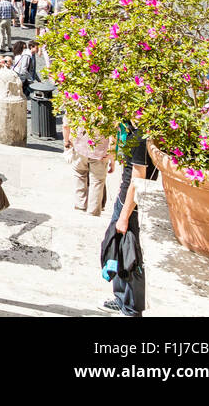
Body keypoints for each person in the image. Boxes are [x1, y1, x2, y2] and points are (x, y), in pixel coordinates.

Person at [104, 122, 148, 317]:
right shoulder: (132, 129)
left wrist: (124, 215)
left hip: (131, 205)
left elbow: (138, 179)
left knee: (131, 257)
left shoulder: (141, 137)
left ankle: (131, 308)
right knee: (119, 252)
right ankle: (121, 298)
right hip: (124, 200)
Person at [63, 116, 113, 217]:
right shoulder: (109, 104)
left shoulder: (75, 101)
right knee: (97, 182)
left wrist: (66, 142)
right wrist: (112, 155)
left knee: (79, 175)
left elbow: (66, 125)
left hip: (79, 147)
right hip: (100, 151)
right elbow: (114, 132)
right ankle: (93, 213)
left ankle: (80, 207)